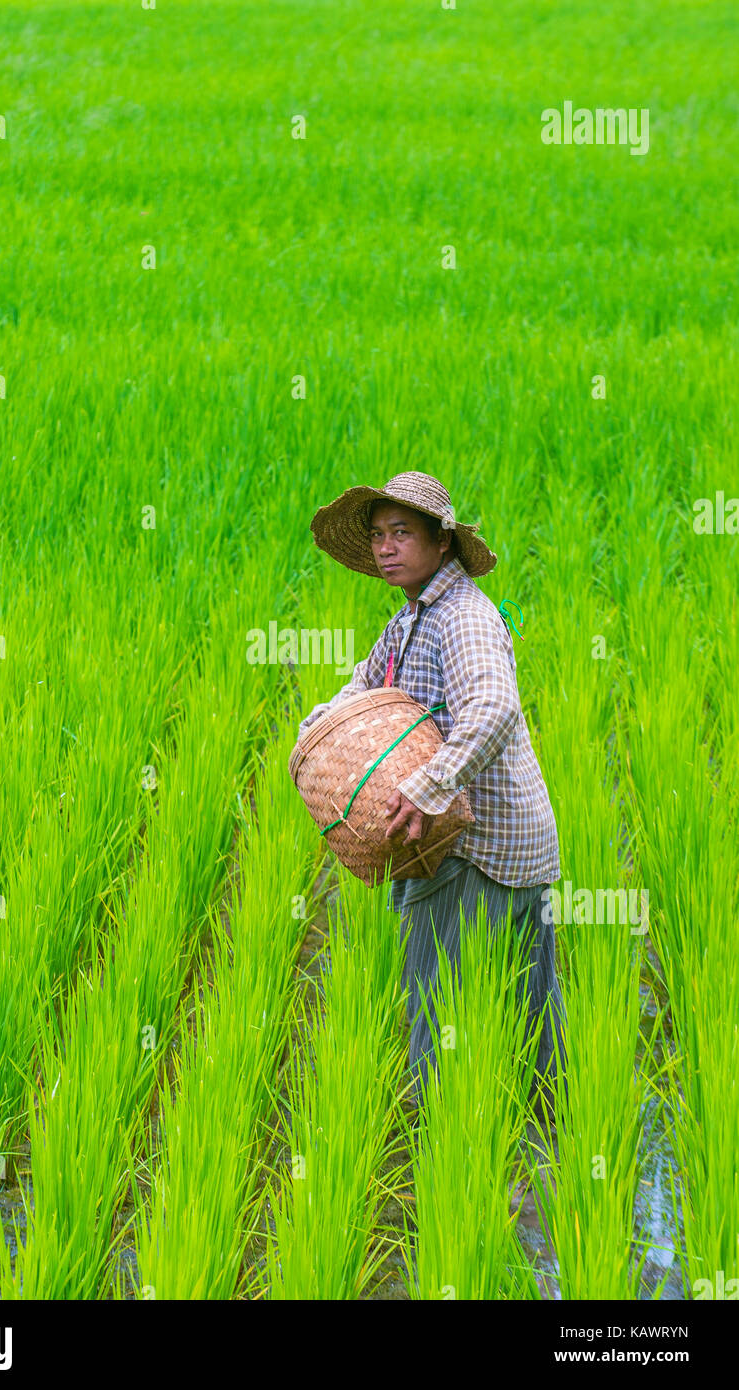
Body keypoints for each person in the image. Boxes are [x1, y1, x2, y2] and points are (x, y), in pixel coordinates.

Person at [297, 470, 565, 1120]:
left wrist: (426, 786)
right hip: (520, 842)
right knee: (532, 1008)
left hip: (473, 844)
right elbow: (365, 682)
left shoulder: (463, 618)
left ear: (442, 542)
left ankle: (442, 1148)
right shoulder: (414, 616)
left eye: (402, 534)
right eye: (380, 535)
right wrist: (316, 728)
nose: (387, 547)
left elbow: (494, 706)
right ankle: (551, 1133)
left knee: (434, 1002)